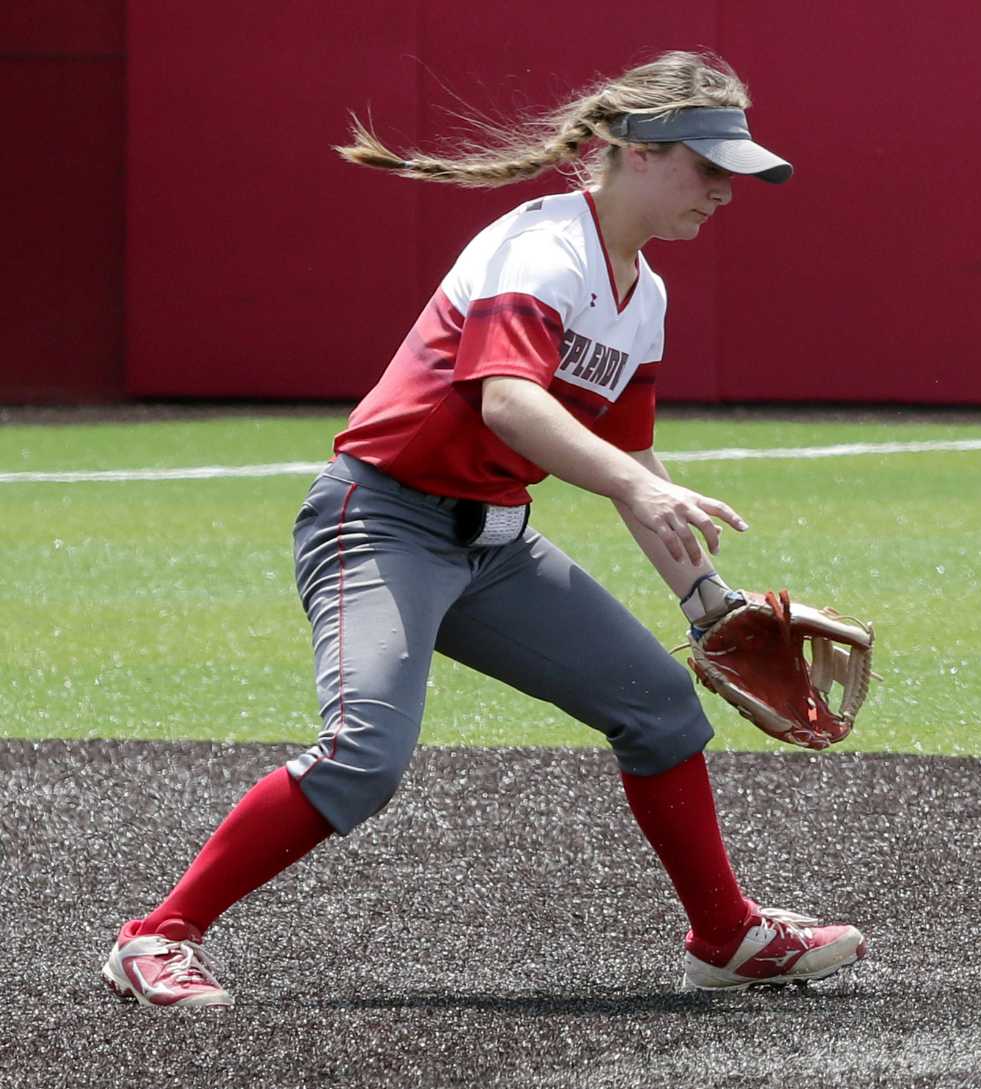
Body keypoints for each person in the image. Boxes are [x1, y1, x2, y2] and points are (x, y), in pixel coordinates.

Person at [101, 51, 867, 1009]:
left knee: (663, 711)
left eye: (732, 172)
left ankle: (725, 934)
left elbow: (632, 463)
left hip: (495, 546)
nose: (724, 190)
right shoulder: (542, 248)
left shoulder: (646, 294)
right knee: (365, 758)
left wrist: (701, 597)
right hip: (379, 521)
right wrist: (634, 480)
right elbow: (509, 403)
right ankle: (154, 937)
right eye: (705, 167)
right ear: (630, 151)